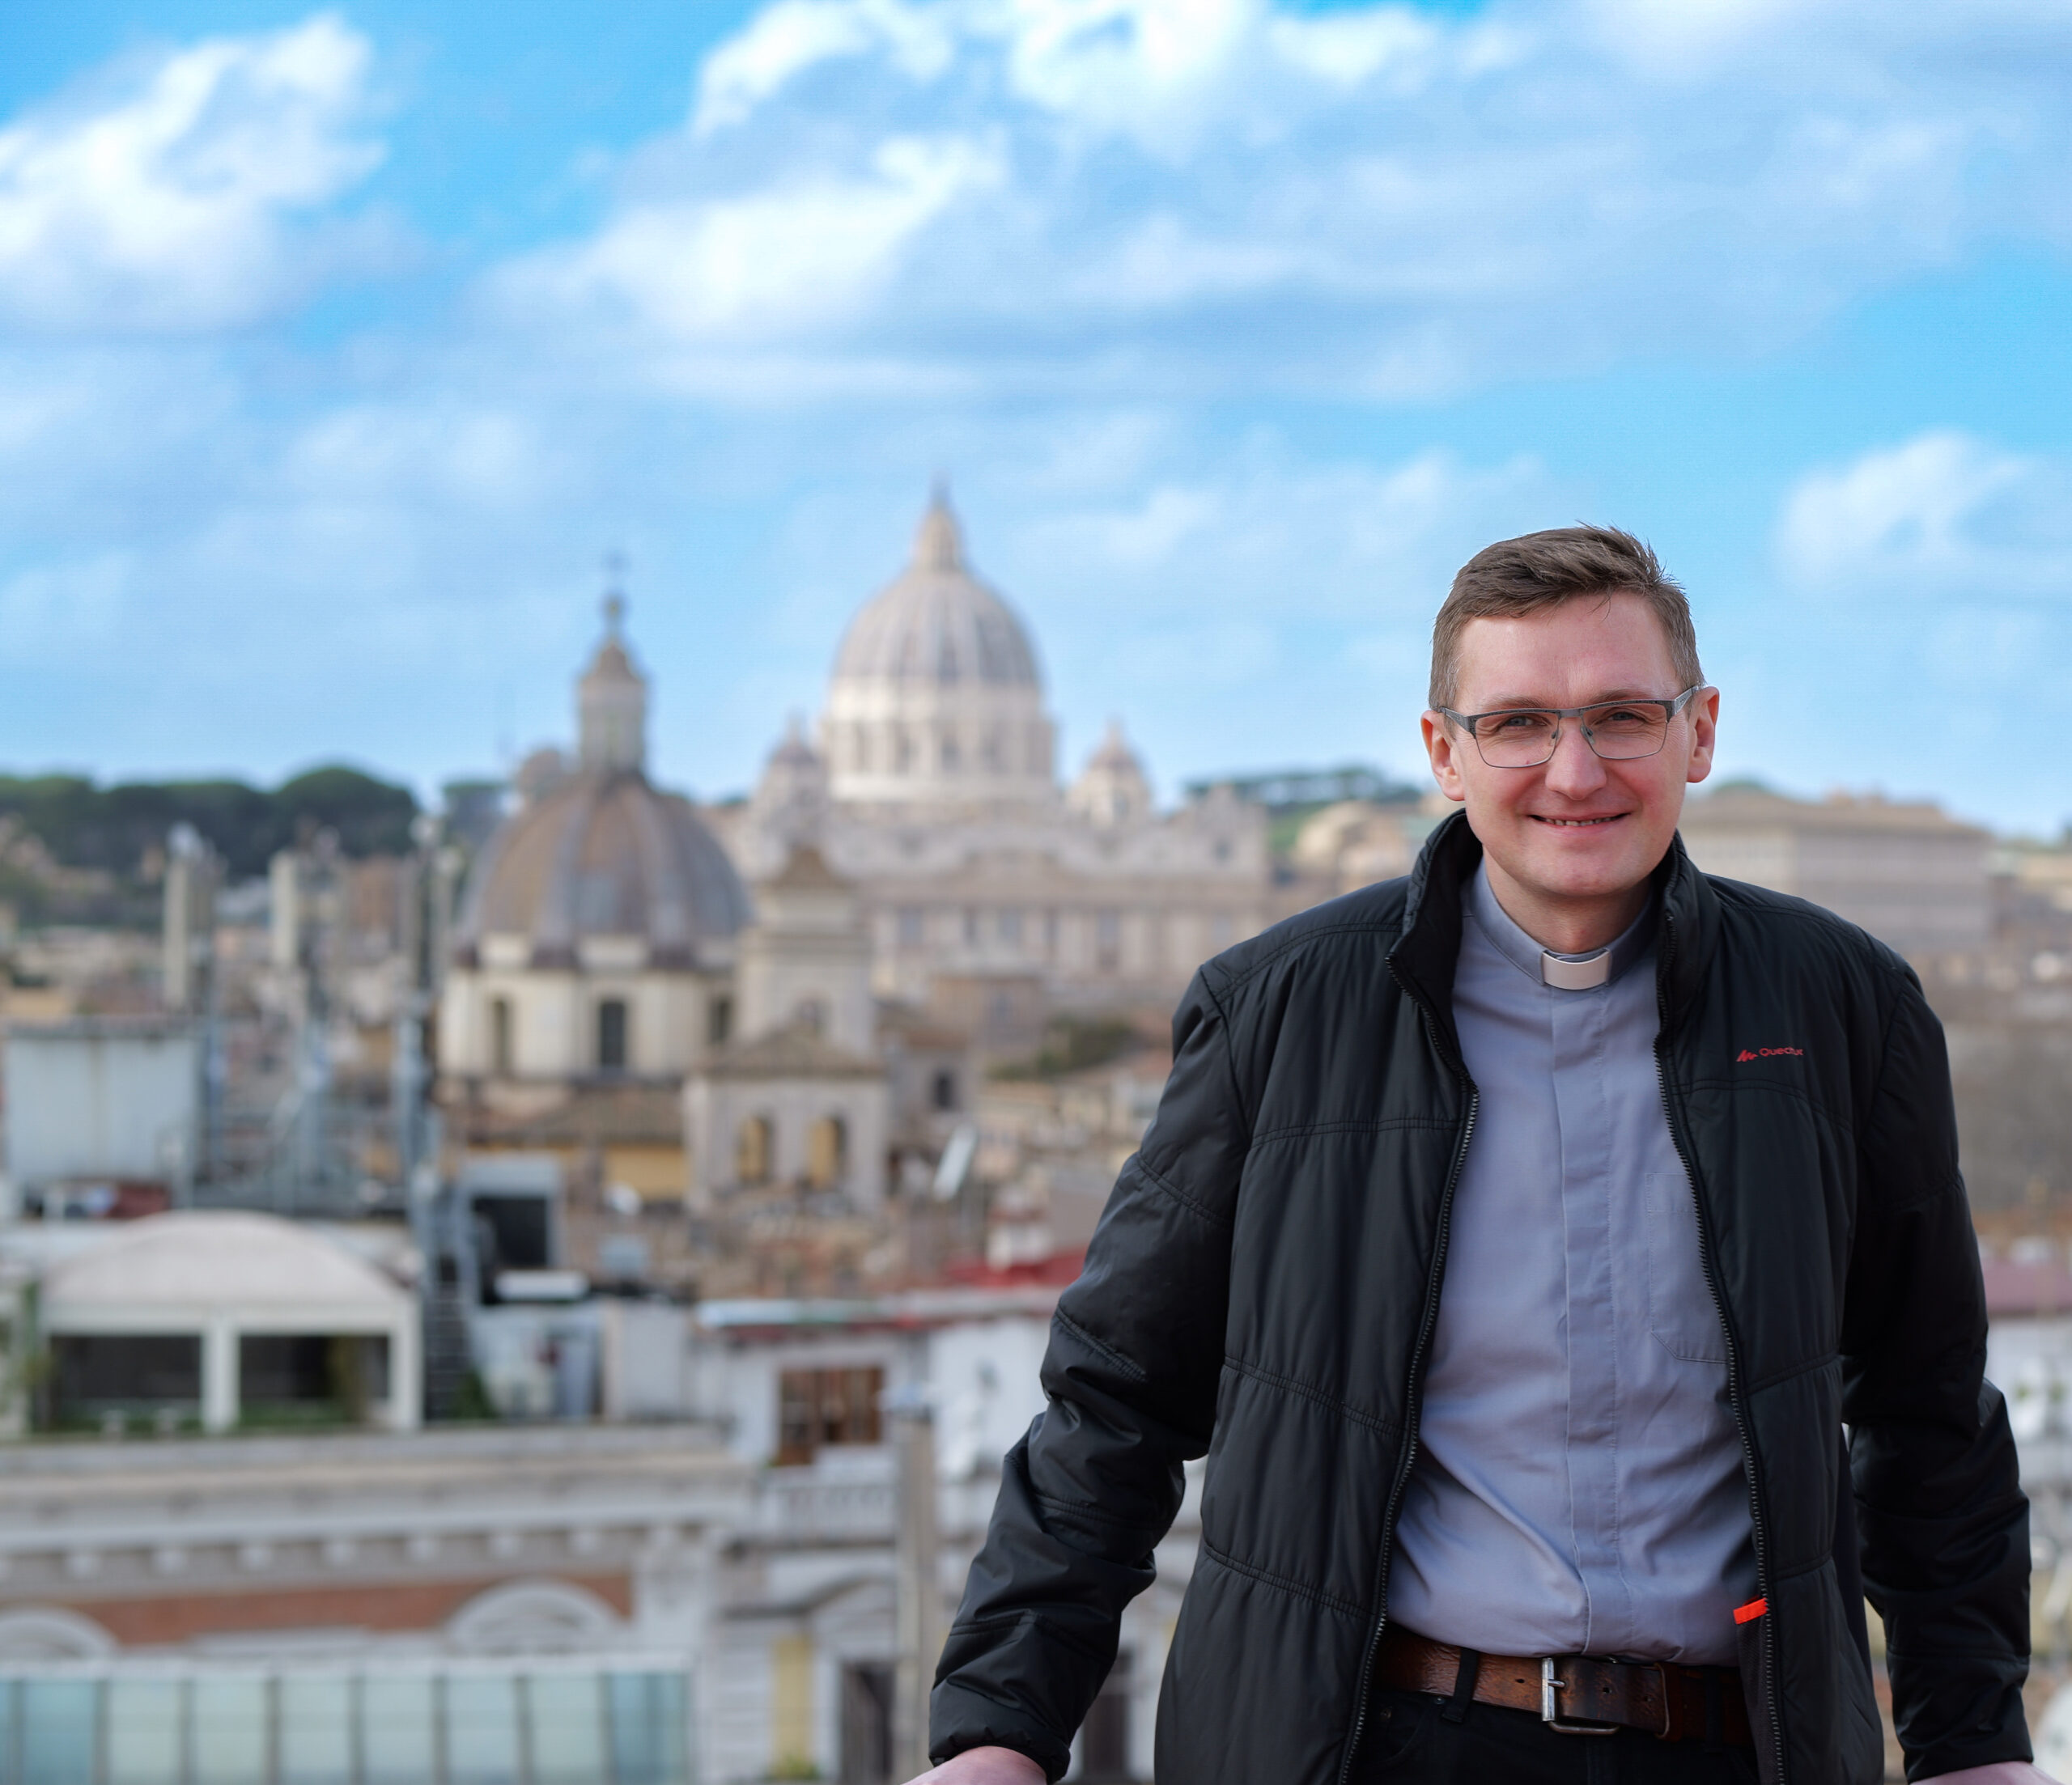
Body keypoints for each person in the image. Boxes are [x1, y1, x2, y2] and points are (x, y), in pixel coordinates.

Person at [909, 528, 2048, 1785]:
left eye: (1621, 715)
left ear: (1700, 733)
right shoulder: (1276, 1015)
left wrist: (1973, 1748)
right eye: (1517, 722)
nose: (1573, 770)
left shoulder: (1847, 1010)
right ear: (1444, 751)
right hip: (1376, 1745)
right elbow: (1116, 1403)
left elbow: (1928, 1409)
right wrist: (999, 1733)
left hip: (1740, 1748)